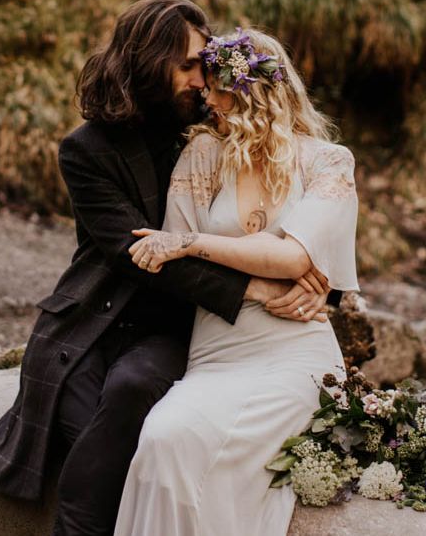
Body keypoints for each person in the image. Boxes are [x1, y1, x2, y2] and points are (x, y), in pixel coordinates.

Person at [0, 0, 339, 536]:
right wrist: (258, 289)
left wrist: (316, 281)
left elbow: (282, 211)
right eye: (189, 65)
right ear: (148, 62)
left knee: (130, 397)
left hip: (172, 321)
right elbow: (136, 254)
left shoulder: (213, 133)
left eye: (207, 66)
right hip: (96, 315)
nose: (203, 81)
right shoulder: (88, 150)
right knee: (85, 429)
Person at [113, 27, 360, 536]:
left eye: (216, 90)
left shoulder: (328, 162)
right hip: (218, 353)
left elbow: (292, 257)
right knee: (163, 438)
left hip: (294, 354)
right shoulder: (201, 158)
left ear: (252, 91)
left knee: (217, 453)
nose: (206, 101)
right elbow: (177, 268)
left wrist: (193, 243)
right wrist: (217, 258)